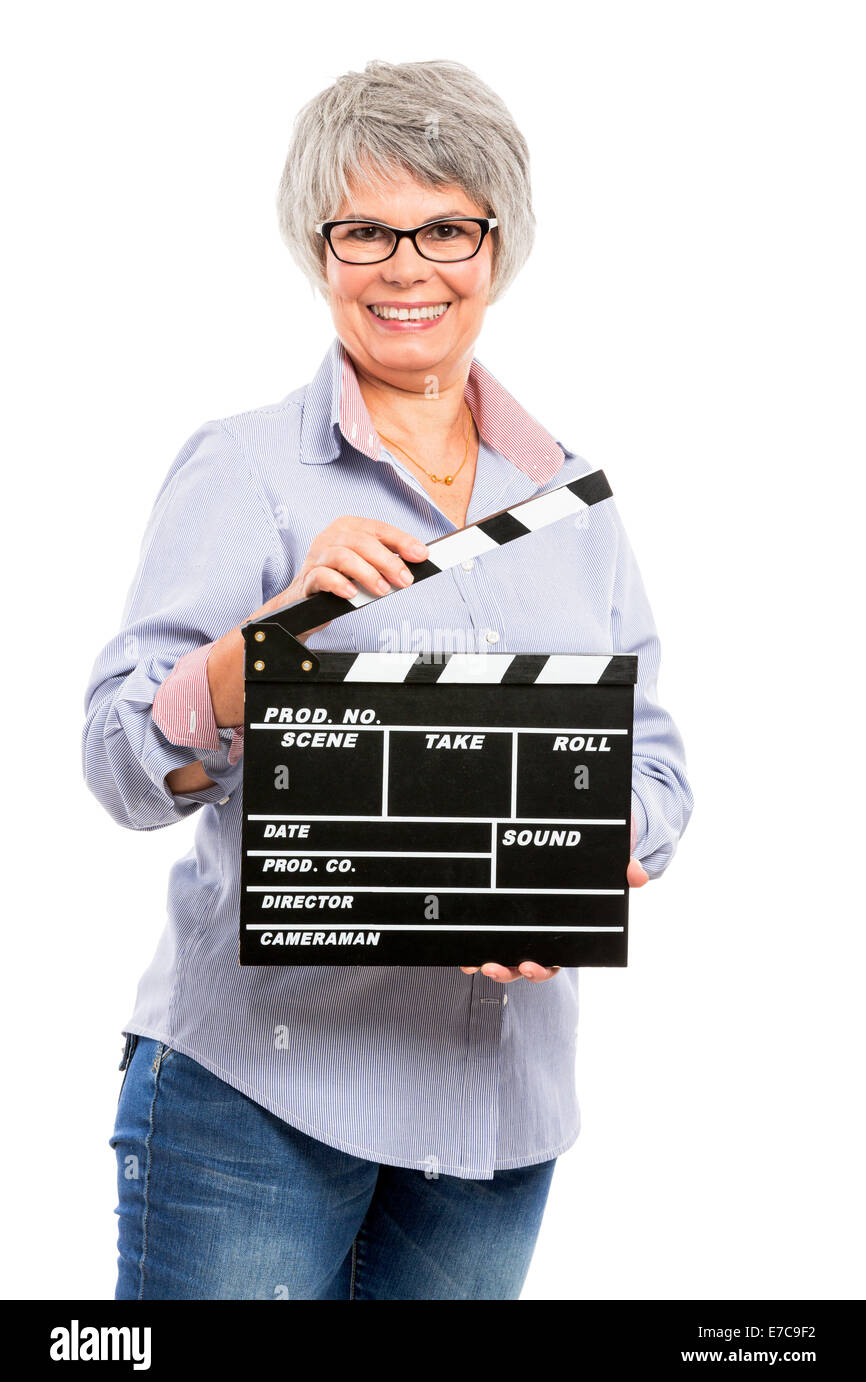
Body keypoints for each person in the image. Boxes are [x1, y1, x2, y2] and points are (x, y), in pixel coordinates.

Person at [83, 58, 693, 1301]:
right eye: (364, 229)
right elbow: (119, 765)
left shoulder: (568, 496)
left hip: (494, 1116)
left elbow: (657, 768)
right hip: (256, 1097)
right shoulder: (245, 469)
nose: (406, 266)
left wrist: (574, 856)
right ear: (318, 250)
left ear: (496, 244)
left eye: (444, 228)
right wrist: (262, 651)